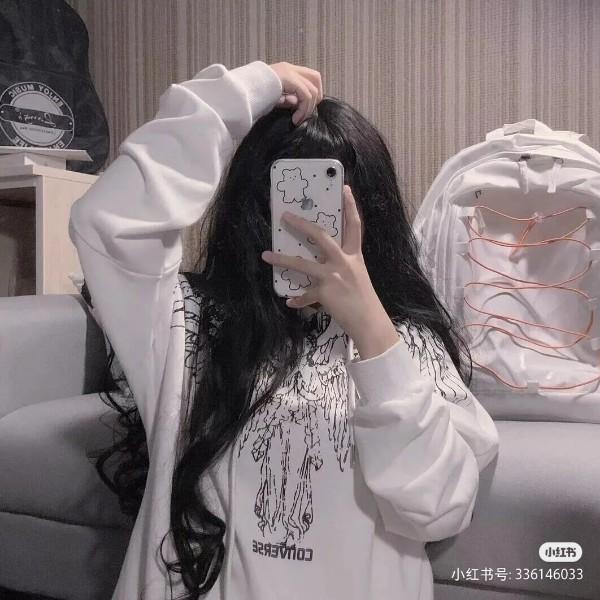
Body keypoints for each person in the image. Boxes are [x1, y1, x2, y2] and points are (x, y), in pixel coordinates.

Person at [70, 60, 500, 600]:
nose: (309, 224)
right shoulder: (186, 324)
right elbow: (107, 221)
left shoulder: (408, 345)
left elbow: (438, 508)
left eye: (329, 203)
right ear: (255, 206)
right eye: (287, 198)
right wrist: (245, 91)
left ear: (370, 213)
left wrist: (370, 327)